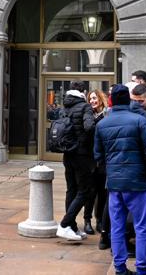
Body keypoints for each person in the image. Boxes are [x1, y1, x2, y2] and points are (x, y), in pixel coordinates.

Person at [95, 84, 146, 275]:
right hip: (137, 182)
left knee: (117, 226)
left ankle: (120, 268)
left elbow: (98, 156)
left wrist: (111, 172)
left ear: (112, 100)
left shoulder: (102, 124)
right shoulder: (139, 120)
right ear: (128, 100)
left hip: (115, 183)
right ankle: (141, 268)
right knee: (143, 227)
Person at [56, 81, 97, 241]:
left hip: (68, 154)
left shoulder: (65, 106)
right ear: (83, 92)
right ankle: (65, 224)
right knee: (84, 191)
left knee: (71, 189)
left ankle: (72, 228)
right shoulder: (85, 106)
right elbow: (89, 127)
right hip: (82, 155)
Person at [86, 90, 109, 245]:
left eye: (94, 98)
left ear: (100, 99)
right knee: (90, 191)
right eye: (90, 99)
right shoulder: (87, 116)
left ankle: (100, 220)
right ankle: (87, 220)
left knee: (102, 192)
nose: (92, 101)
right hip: (89, 159)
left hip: (103, 159)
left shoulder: (108, 114)